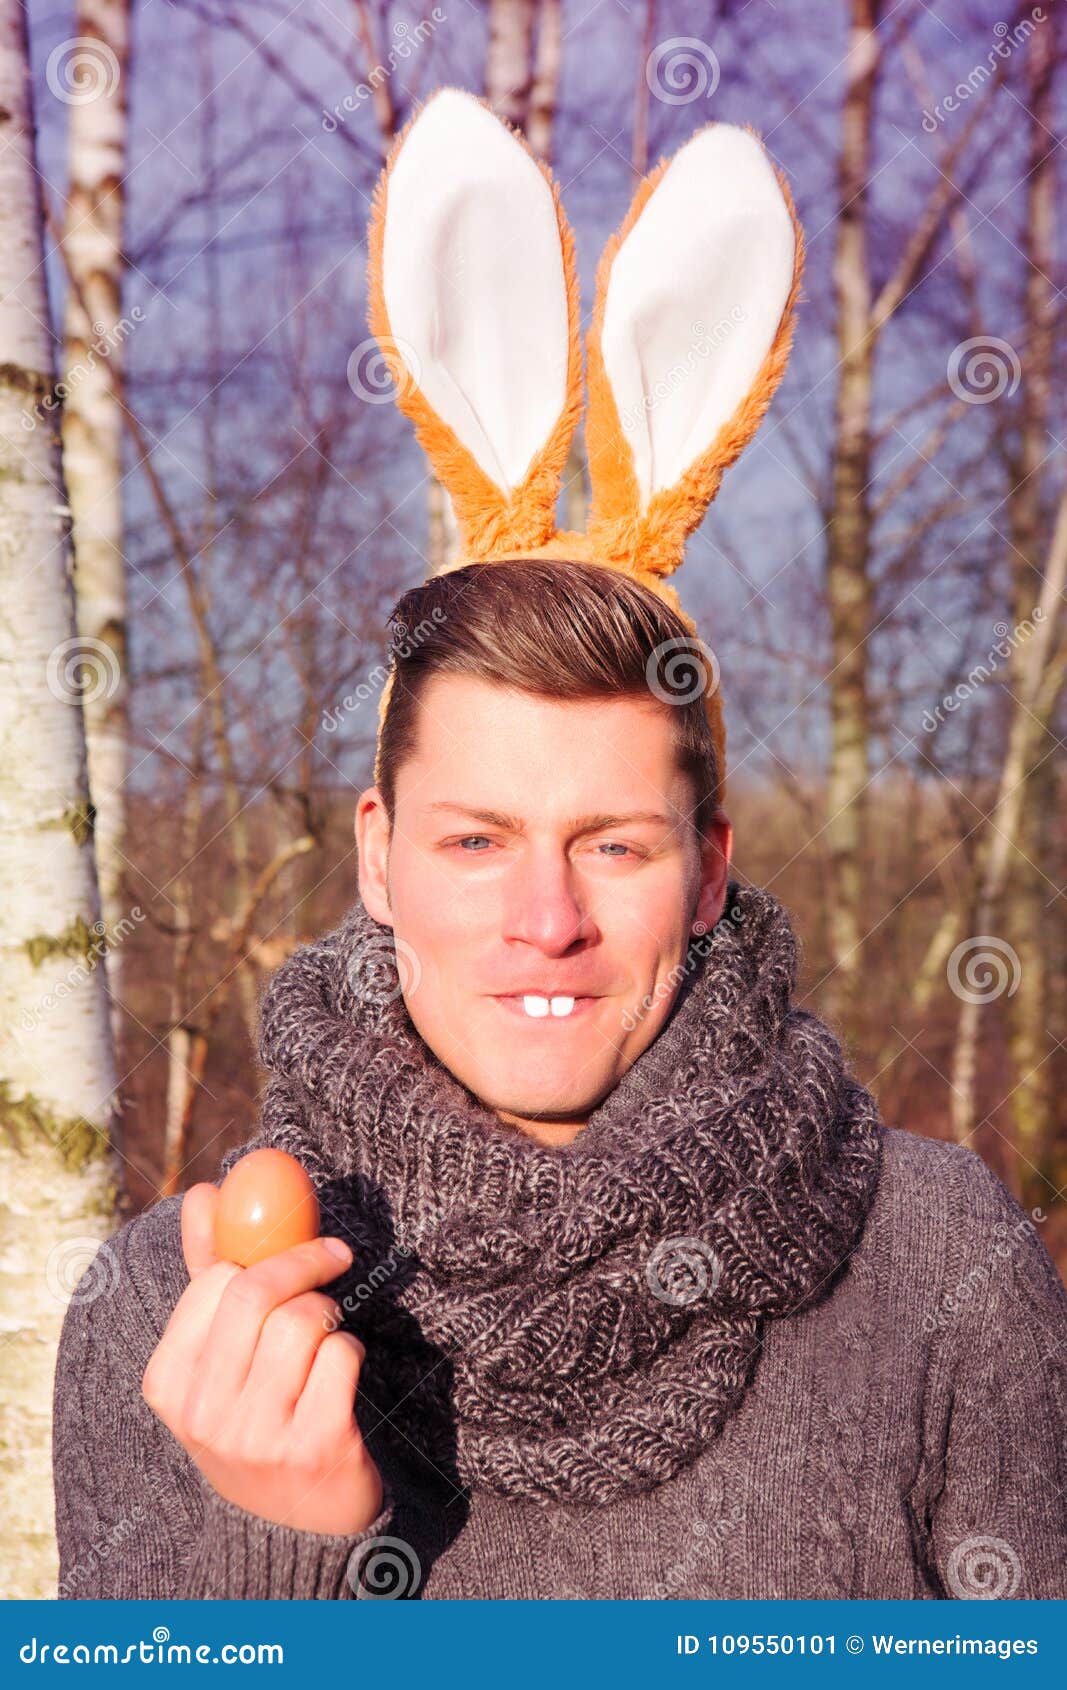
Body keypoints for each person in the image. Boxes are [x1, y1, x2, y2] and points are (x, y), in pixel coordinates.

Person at [52, 89, 1067, 1602]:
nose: (547, 918)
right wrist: (272, 1545)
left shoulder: (939, 1266)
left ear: (711, 865)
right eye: (476, 839)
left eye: (613, 845)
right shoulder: (170, 1313)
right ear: (379, 855)